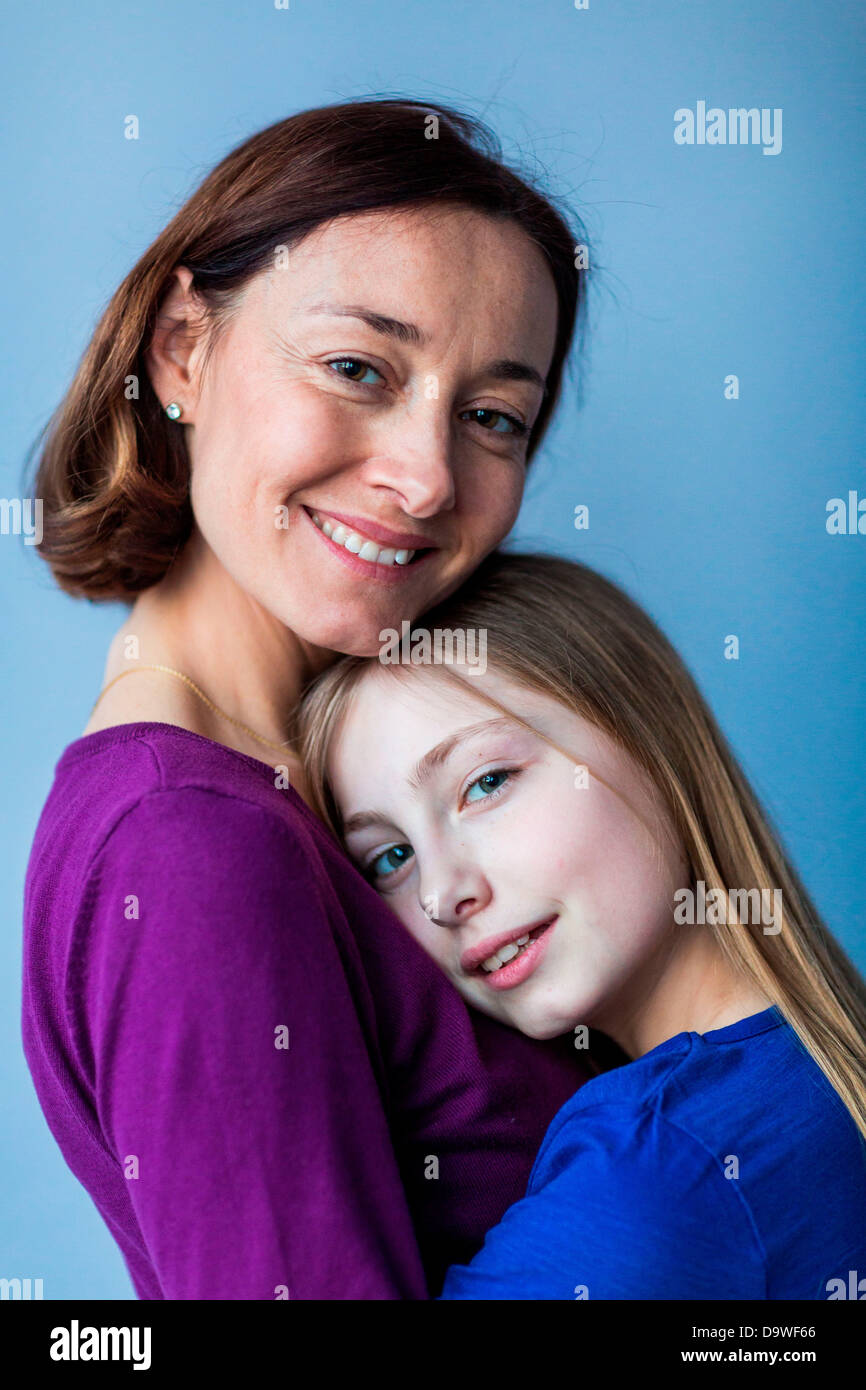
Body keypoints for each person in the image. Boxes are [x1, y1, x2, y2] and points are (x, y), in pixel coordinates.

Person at [21, 98, 614, 1300]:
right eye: (356, 367)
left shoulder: (335, 798)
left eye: (492, 416)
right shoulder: (191, 844)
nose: (426, 474)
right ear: (183, 349)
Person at [298, 549, 866, 1299]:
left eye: (486, 783)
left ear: (650, 738)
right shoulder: (811, 1069)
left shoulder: (654, 1168)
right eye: (390, 857)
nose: (441, 894)